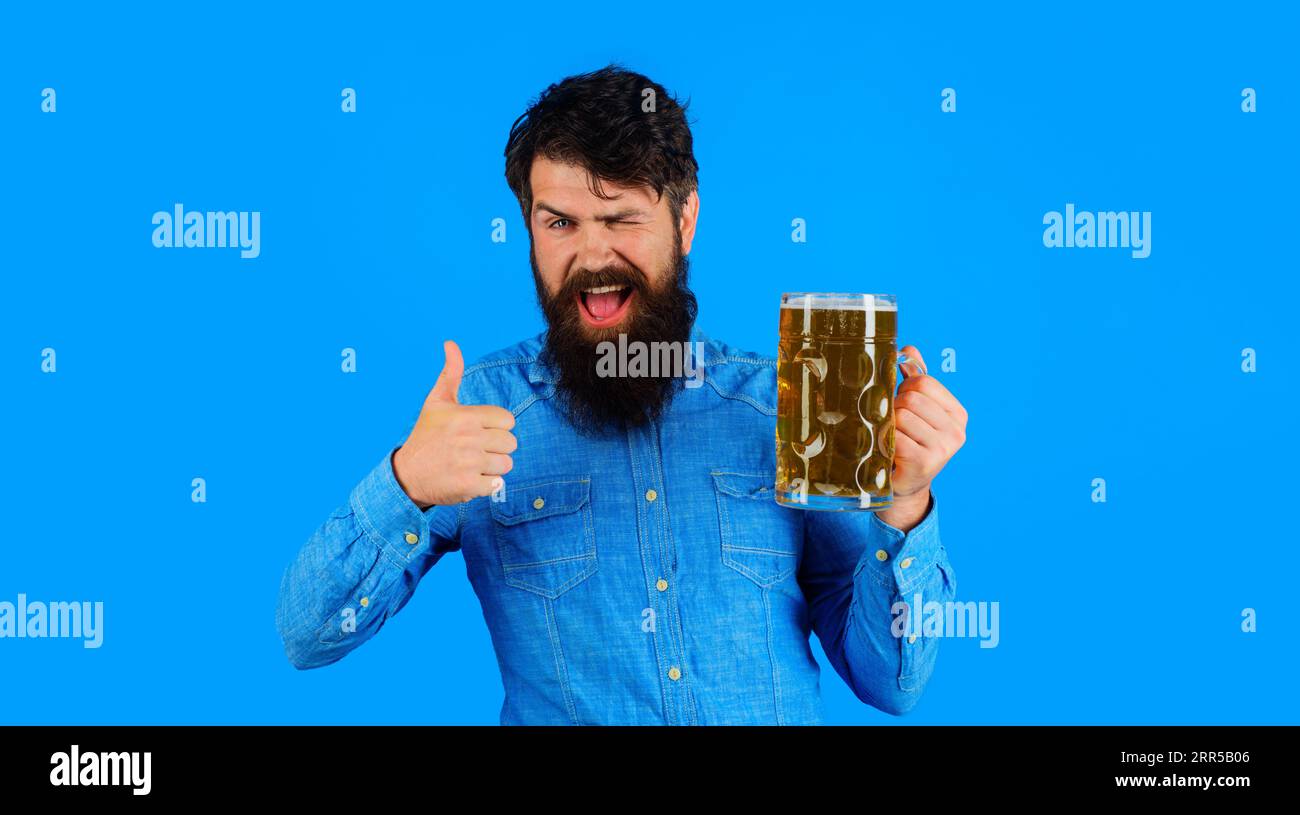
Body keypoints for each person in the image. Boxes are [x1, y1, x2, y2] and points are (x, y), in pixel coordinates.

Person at [275, 65, 968, 725]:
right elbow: (308, 634)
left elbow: (894, 681)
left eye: (622, 218)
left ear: (685, 218)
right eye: (560, 223)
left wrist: (904, 503)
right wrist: (406, 483)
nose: (593, 255)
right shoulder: (482, 414)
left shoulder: (787, 410)